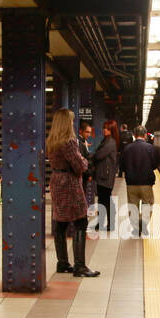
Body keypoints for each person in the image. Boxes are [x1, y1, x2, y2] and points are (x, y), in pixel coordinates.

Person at [48, 107, 99, 277]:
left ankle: (62, 263)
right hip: (69, 184)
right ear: (65, 123)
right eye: (70, 120)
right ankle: (80, 266)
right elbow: (80, 165)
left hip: (56, 182)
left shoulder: (52, 141)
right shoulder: (69, 142)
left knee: (60, 224)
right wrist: (84, 159)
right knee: (80, 222)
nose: (72, 123)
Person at [120, 128, 160, 237]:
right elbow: (156, 164)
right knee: (148, 205)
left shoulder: (127, 148)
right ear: (145, 136)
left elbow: (122, 165)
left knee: (133, 206)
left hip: (131, 183)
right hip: (146, 183)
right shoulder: (150, 148)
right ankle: (144, 225)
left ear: (134, 134)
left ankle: (136, 229)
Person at [91, 120, 119, 233]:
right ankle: (101, 222)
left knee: (105, 200)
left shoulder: (110, 142)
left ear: (111, 130)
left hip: (106, 176)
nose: (104, 130)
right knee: (103, 200)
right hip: (103, 175)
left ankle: (110, 223)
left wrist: (92, 156)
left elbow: (99, 155)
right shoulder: (106, 140)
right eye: (104, 127)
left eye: (107, 128)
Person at [77, 121, 95, 220]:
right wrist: (89, 173)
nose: (88, 134)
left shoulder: (83, 142)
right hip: (82, 175)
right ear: (81, 131)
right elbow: (84, 159)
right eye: (87, 132)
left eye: (89, 132)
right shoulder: (80, 143)